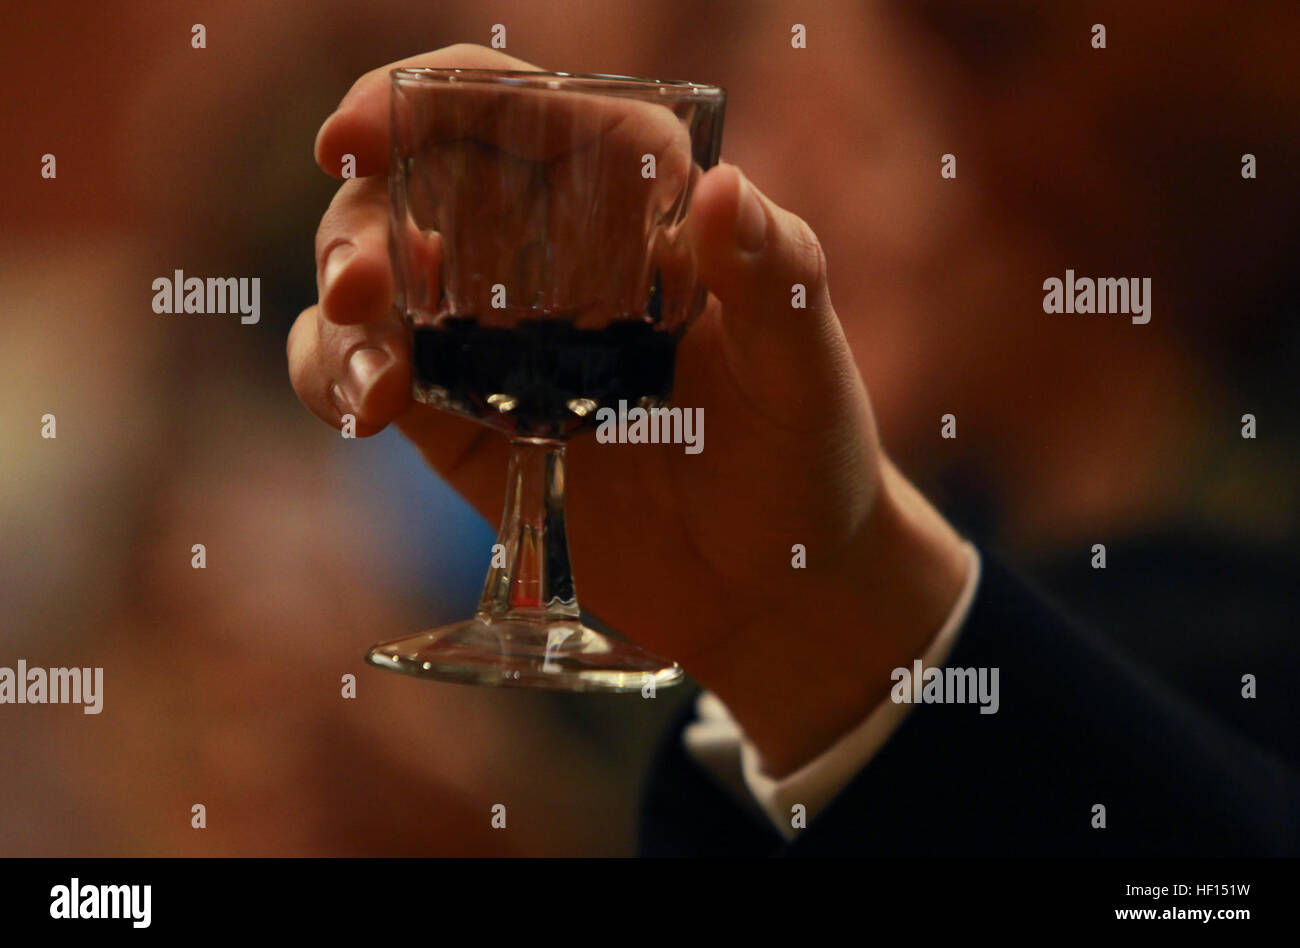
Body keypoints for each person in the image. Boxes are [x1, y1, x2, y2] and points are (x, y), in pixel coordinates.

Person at [288, 45, 1298, 856]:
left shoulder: (1246, 602)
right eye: (768, 113)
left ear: (1059, 171)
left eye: (861, 137)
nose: (785, 194)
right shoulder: (960, 520)